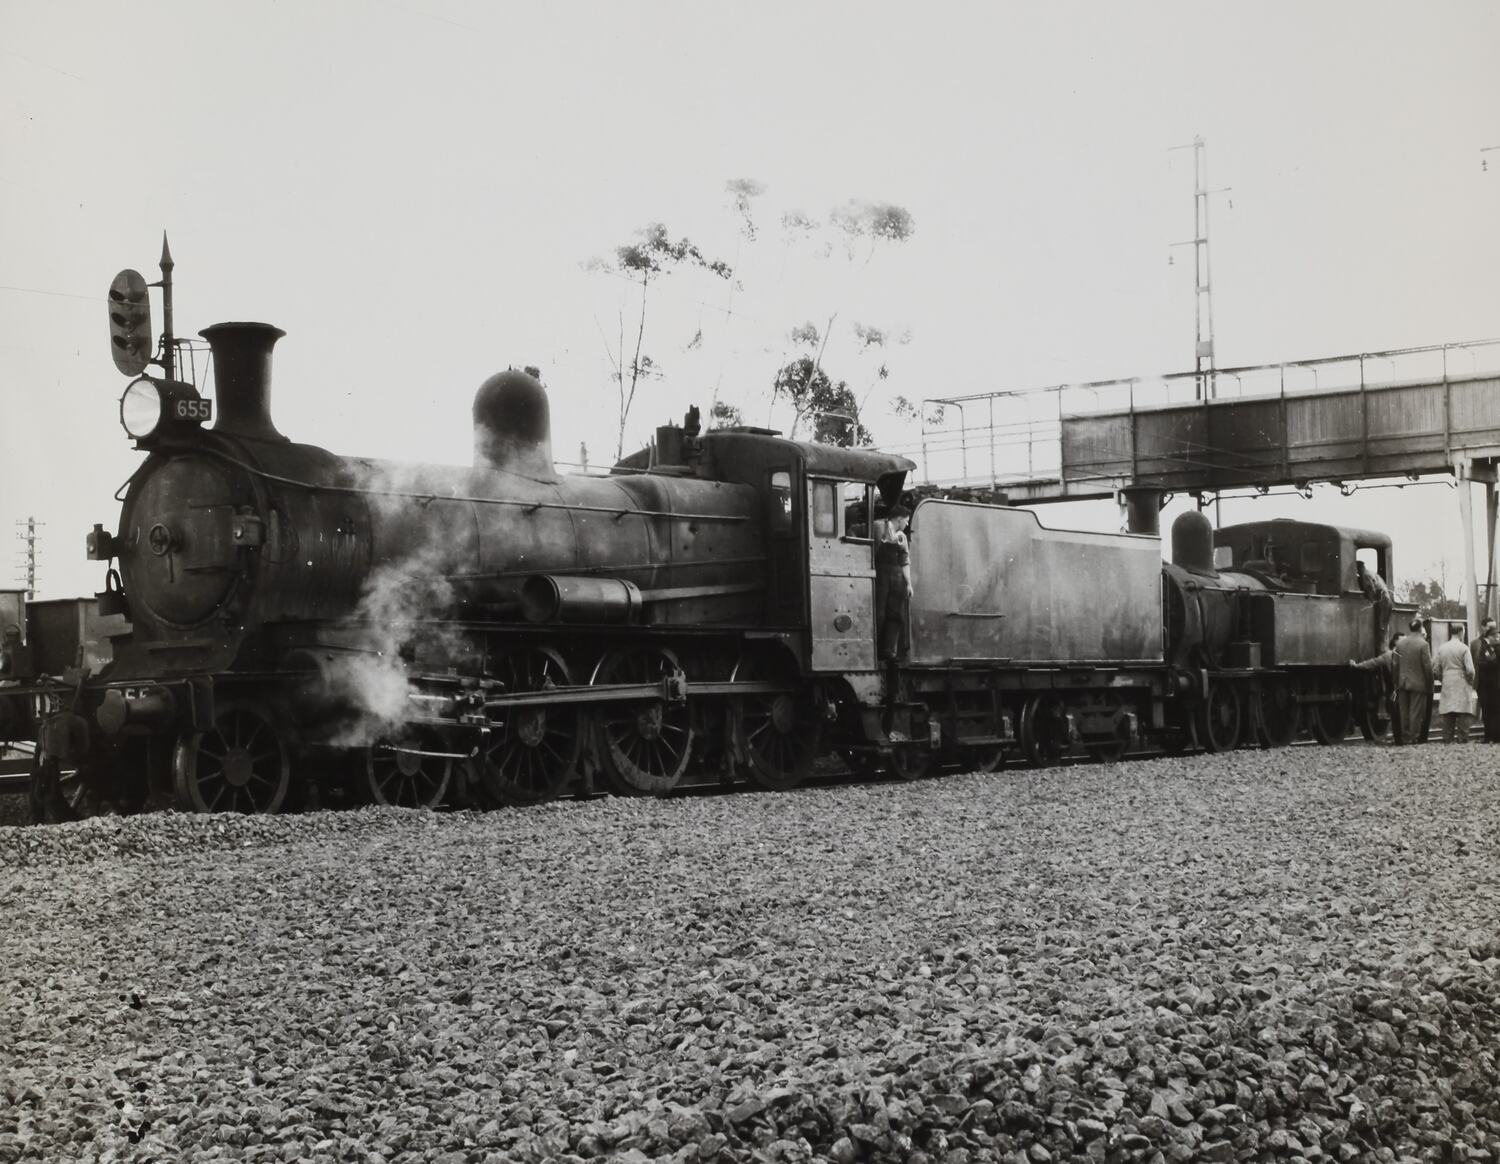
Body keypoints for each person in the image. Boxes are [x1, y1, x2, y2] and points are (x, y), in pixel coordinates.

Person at [873, 504, 913, 664]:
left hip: (897, 578)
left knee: (896, 615)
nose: (907, 524)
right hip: (880, 574)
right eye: (906, 521)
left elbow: (905, 560)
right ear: (899, 519)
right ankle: (874, 648)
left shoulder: (902, 537)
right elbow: (853, 531)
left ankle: (890, 650)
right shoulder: (877, 526)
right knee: (879, 614)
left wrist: (909, 584)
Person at [1349, 634, 1404, 744]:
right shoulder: (1393, 656)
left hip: (1396, 689)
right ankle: (1403, 737)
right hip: (1401, 688)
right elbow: (1372, 663)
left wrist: (1357, 666)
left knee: (1396, 714)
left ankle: (1399, 739)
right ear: (1396, 644)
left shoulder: (1388, 656)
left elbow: (1372, 663)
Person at [1392, 618, 1434, 745]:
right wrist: (1430, 683)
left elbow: (1395, 665)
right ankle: (1413, 737)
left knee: (1403, 711)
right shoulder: (1423, 644)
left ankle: (1405, 737)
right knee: (1415, 712)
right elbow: (1427, 666)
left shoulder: (1400, 644)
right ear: (1421, 628)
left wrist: (1395, 681)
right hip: (1418, 683)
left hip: (1402, 682)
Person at [1435, 623, 1478, 744]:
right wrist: (1470, 680)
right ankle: (1462, 738)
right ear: (1461, 632)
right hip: (1462, 680)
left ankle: (1447, 738)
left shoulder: (1442, 648)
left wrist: (1443, 678)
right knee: (1463, 710)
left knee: (1448, 711)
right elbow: (1470, 670)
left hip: (1447, 680)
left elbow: (1436, 668)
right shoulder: (1464, 648)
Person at [1355, 561, 1394, 655]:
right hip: (1386, 598)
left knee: (1381, 628)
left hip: (1382, 600)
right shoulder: (1370, 572)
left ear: (1359, 568)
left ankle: (1382, 653)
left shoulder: (1365, 575)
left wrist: (1371, 601)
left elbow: (1370, 589)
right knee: (1383, 628)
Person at [1474, 616, 1500, 743]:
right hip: (1483, 684)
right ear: (1484, 628)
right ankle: (1488, 735)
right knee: (1486, 710)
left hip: (1495, 684)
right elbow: (1478, 662)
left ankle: (1495, 735)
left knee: (1496, 709)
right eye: (1491, 628)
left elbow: (1491, 662)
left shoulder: (1497, 647)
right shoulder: (1477, 644)